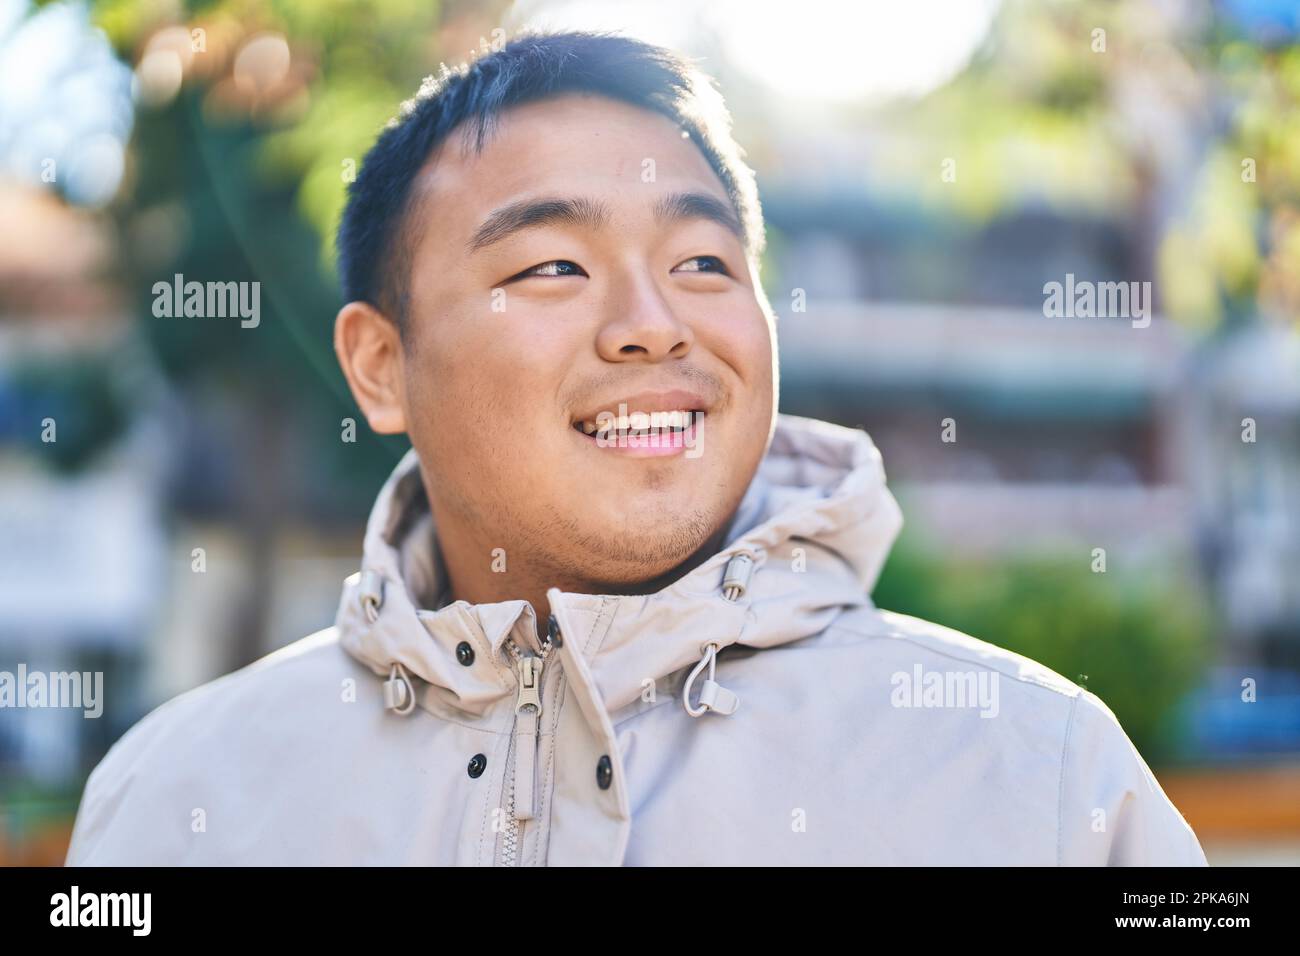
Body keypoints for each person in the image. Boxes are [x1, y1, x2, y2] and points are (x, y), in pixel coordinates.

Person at [65, 30, 1207, 866]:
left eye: (704, 264)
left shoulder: (1036, 771)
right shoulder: (179, 797)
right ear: (379, 365)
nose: (654, 322)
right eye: (550, 266)